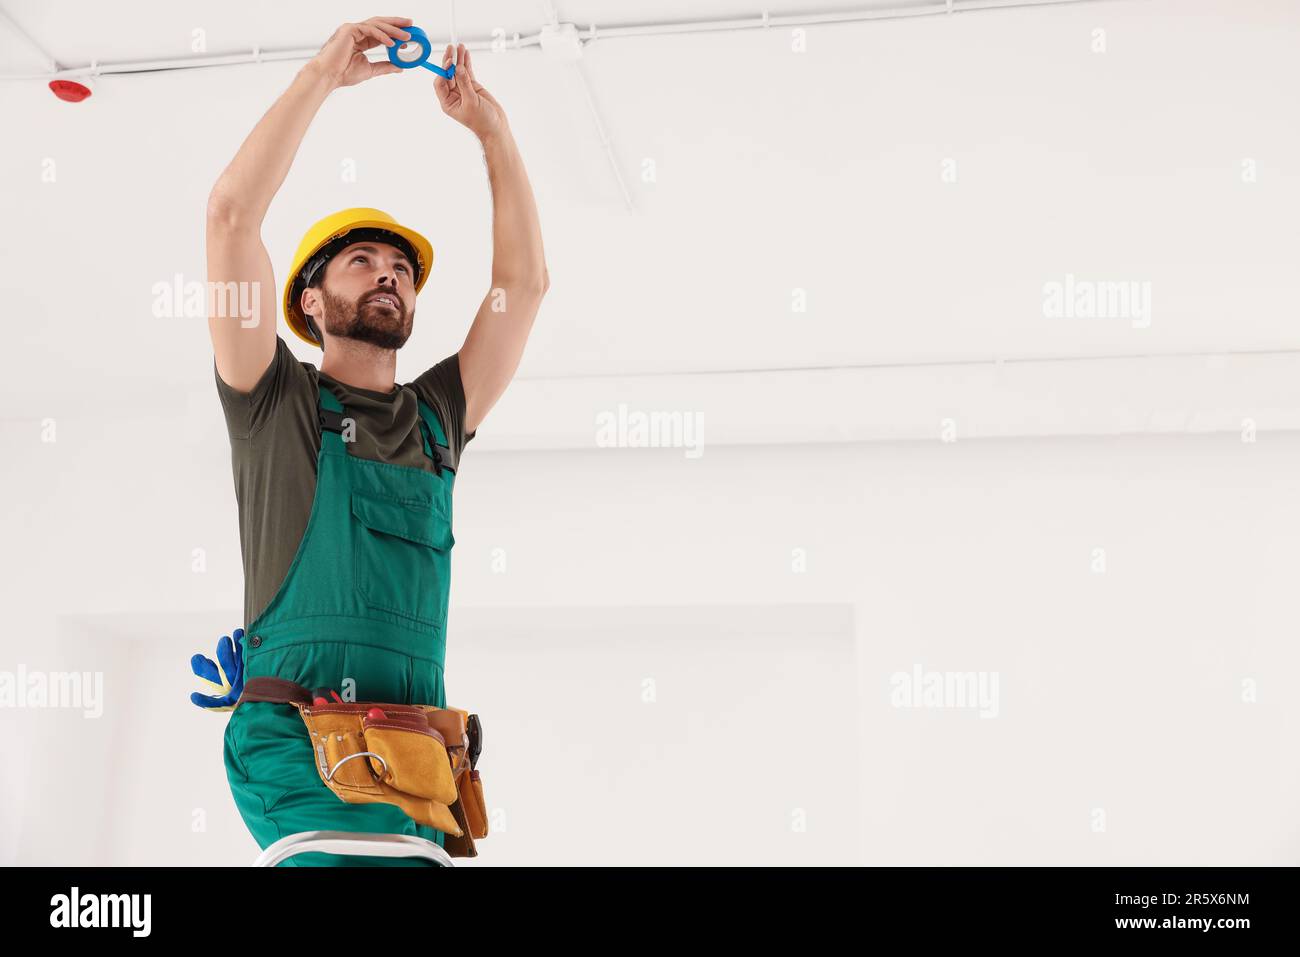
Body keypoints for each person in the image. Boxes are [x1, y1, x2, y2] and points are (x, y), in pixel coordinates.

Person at [203, 16, 548, 865]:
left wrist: (493, 133)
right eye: (362, 260)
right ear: (310, 302)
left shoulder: (439, 418)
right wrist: (324, 71)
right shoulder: (272, 400)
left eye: (401, 267)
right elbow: (230, 215)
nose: (389, 273)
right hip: (301, 756)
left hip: (420, 769)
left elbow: (523, 285)